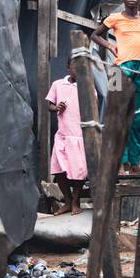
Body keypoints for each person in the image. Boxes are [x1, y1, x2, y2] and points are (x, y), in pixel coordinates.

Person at [92, 0, 140, 173]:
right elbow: (95, 35)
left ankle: (134, 162)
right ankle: (118, 163)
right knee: (116, 117)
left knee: (137, 119)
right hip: (118, 69)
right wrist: (110, 46)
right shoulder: (114, 18)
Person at [46, 61, 87, 214]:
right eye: (74, 66)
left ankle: (76, 202)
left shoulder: (86, 85)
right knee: (58, 170)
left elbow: (94, 104)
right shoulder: (58, 84)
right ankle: (68, 201)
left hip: (79, 135)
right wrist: (56, 108)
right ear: (68, 67)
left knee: (79, 171)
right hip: (62, 134)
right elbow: (49, 105)